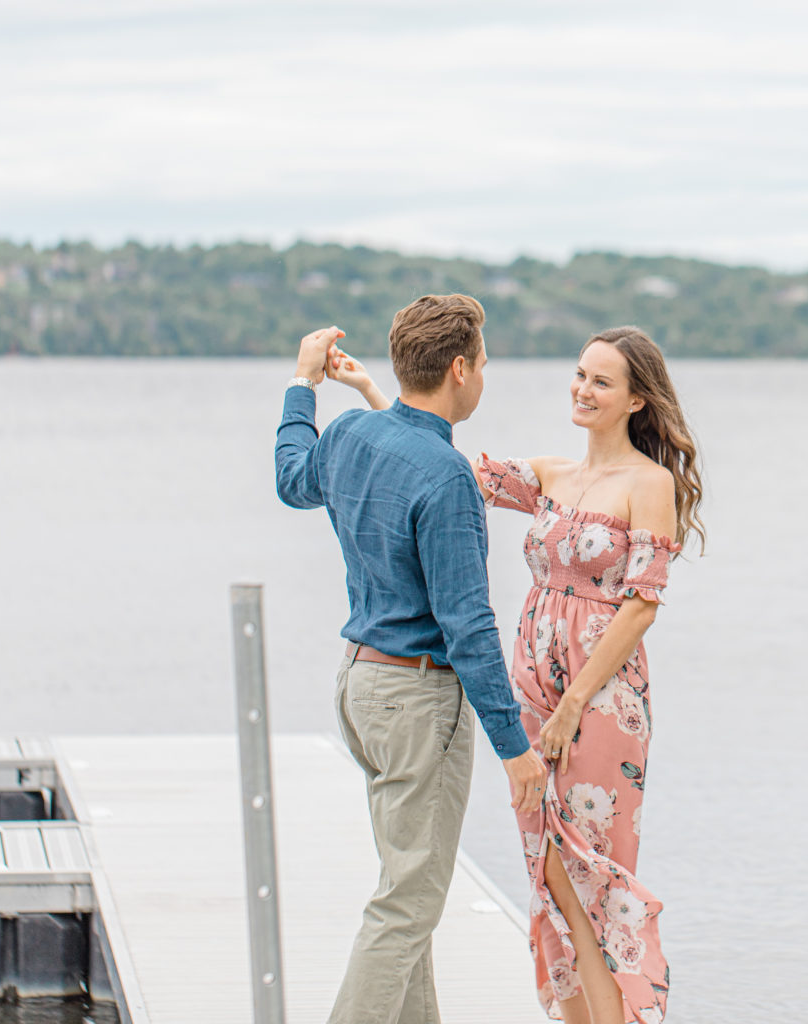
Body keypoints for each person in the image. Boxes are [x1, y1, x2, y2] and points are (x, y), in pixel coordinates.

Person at [326, 325, 703, 1024]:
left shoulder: (647, 485)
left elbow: (641, 607)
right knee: (550, 872)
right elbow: (435, 462)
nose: (582, 389)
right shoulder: (554, 476)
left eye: (601, 382)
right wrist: (374, 391)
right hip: (533, 689)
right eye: (581, 374)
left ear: (636, 401)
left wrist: (572, 707)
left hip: (599, 699)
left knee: (588, 871)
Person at [274, 295, 546, 1024]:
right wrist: (513, 746)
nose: (484, 375)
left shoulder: (354, 435)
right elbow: (468, 626)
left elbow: (292, 477)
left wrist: (305, 384)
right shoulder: (448, 477)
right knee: (407, 905)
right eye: (483, 362)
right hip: (419, 700)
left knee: (409, 892)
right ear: (459, 369)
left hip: (360, 685)